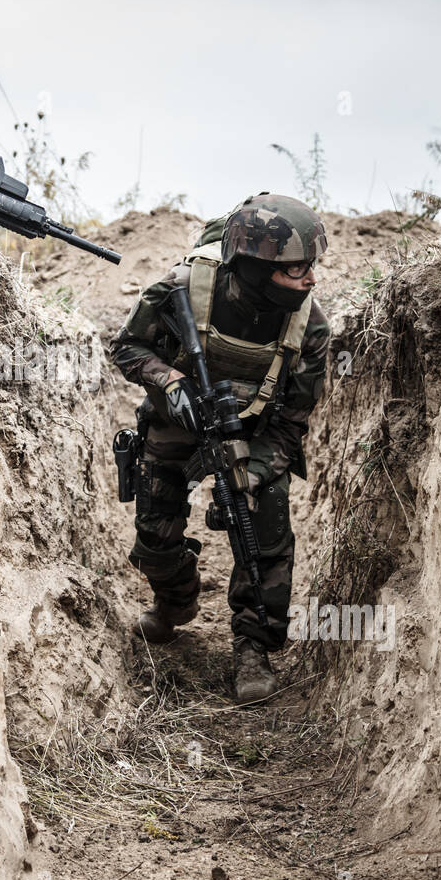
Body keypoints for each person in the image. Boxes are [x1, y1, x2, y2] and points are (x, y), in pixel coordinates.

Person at [109, 194, 331, 703]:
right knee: (155, 536)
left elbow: (292, 422)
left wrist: (252, 474)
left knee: (264, 534)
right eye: (294, 270)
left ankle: (253, 645)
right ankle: (175, 600)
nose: (310, 281)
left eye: (311, 267)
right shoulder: (183, 288)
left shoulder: (310, 327)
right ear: (254, 268)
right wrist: (168, 381)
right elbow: (126, 347)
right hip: (179, 419)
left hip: (256, 431)